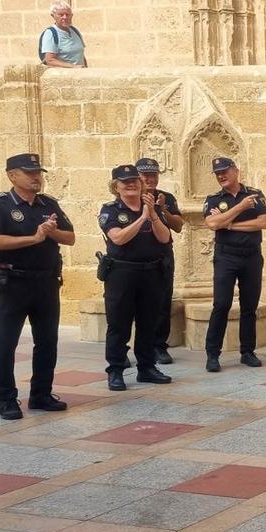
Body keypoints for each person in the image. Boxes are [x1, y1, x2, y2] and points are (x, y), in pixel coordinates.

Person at [0, 153, 74, 419]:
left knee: (47, 342)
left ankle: (41, 394)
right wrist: (34, 238)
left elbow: (70, 237)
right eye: (29, 172)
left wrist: (50, 232)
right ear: (12, 175)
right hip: (11, 284)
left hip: (46, 283)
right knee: (4, 343)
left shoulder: (47, 204)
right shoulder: (0, 206)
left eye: (38, 172)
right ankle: (6, 398)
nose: (36, 177)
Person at [98, 164, 173, 391]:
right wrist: (142, 218)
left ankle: (147, 367)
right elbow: (119, 238)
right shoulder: (109, 210)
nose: (131, 185)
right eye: (125, 182)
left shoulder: (152, 207)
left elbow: (164, 238)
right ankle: (116, 370)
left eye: (134, 181)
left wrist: (152, 215)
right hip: (122, 273)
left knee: (148, 322)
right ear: (116, 187)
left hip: (151, 272)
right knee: (118, 324)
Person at [202, 157, 266, 372]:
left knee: (249, 305)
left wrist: (229, 225)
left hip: (251, 256)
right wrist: (240, 207)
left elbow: (263, 222)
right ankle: (213, 354)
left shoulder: (255, 195)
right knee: (221, 304)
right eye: (217, 173)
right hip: (226, 257)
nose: (221, 175)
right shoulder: (214, 199)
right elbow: (212, 223)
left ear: (235, 171)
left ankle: (247, 351)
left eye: (225, 171)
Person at [136, 158, 182, 365]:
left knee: (163, 301)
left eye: (153, 175)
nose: (150, 179)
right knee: (135, 303)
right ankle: (132, 347)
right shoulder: (130, 197)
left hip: (162, 255)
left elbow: (178, 226)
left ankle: (159, 346)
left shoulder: (167, 198)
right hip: (138, 256)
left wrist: (163, 209)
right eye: (145, 175)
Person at [39, 1, 86, 68]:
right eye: (61, 15)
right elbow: (50, 60)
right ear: (53, 16)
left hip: (78, 75)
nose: (65, 17)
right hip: (63, 76)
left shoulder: (75, 31)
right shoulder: (51, 33)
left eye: (67, 14)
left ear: (71, 16)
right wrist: (73, 67)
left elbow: (81, 55)